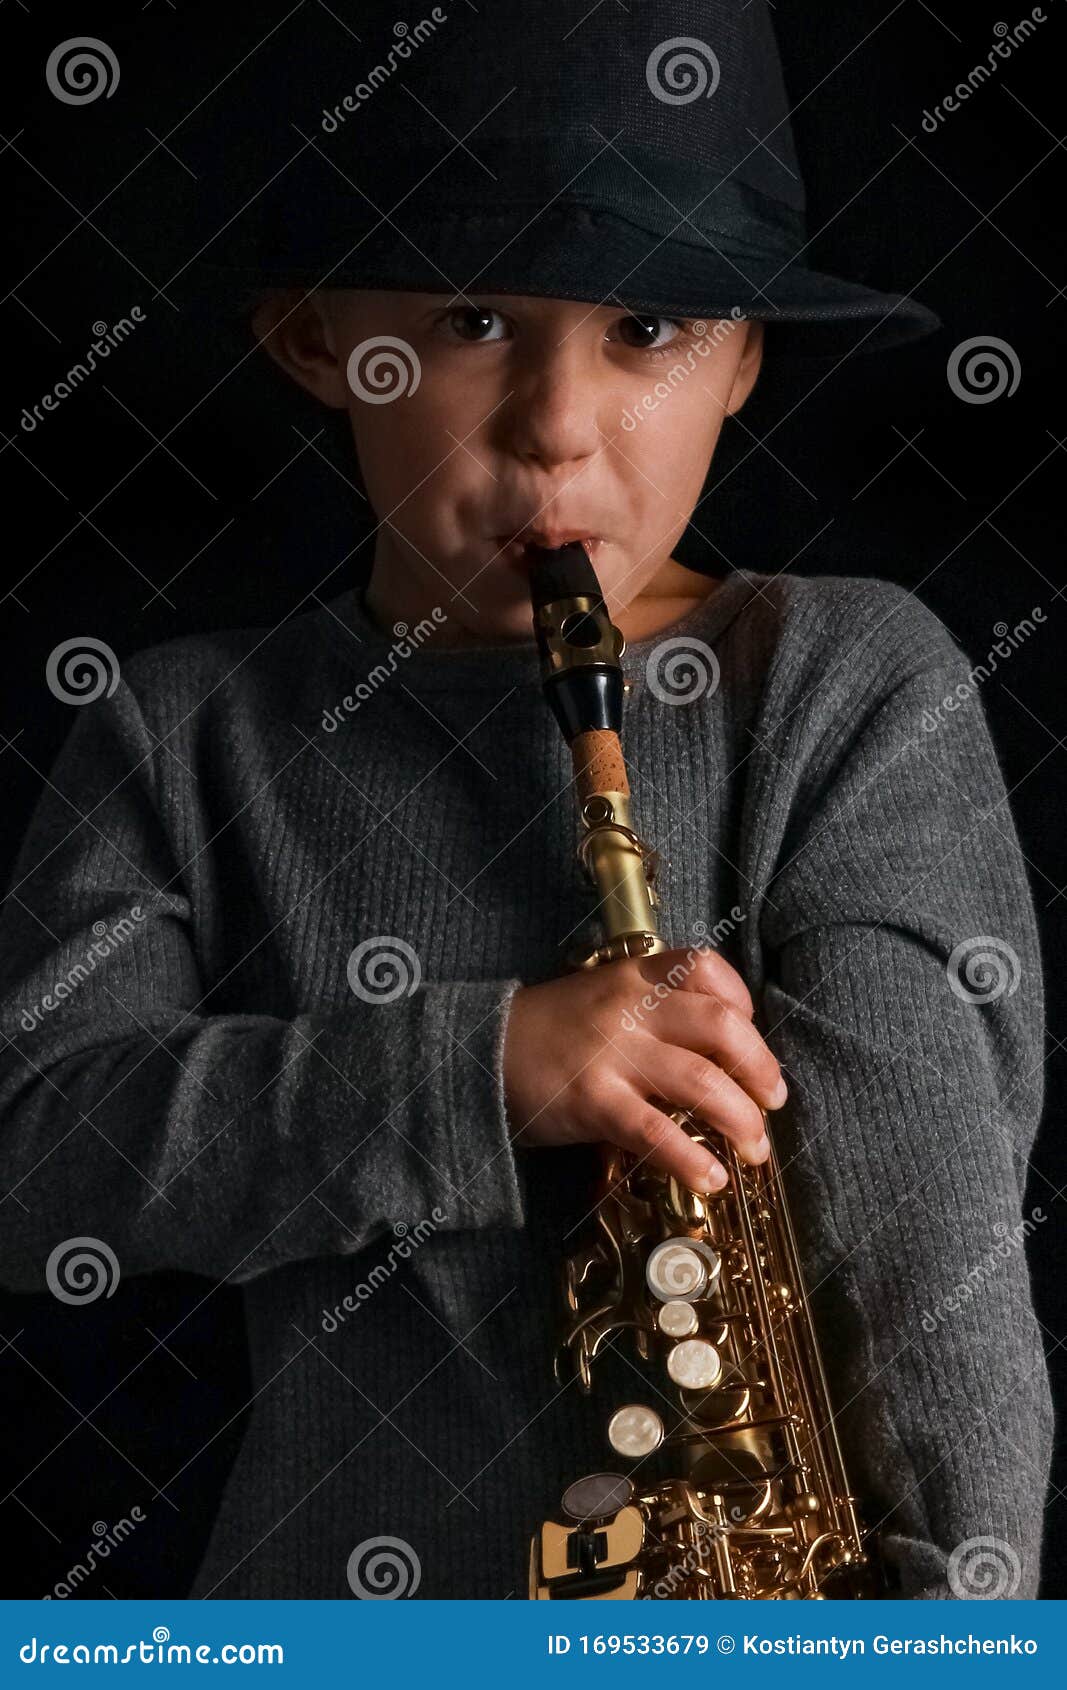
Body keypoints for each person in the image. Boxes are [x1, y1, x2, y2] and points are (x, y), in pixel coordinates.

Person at [0, 1, 1052, 1600]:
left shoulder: (846, 683)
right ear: (308, 337)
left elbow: (936, 1275)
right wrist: (478, 1069)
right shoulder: (184, 726)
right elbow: (33, 1156)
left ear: (746, 358)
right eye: (475, 317)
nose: (558, 428)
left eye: (651, 328)